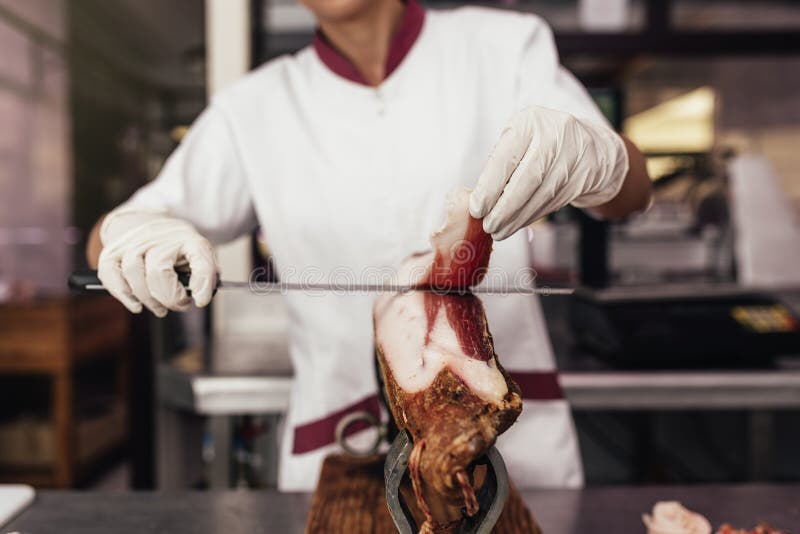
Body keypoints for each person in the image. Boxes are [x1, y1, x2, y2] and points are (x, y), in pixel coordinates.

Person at [87, 0, 651, 491]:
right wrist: (136, 235)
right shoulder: (253, 107)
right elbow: (114, 231)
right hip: (339, 454)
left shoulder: (505, 47)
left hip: (513, 456)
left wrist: (602, 163)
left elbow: (631, 195)